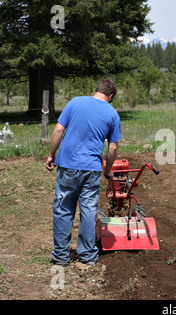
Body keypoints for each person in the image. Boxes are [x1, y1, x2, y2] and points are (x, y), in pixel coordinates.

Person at [46, 78, 122, 266]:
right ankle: (87, 256)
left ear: (96, 90)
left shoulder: (75, 102)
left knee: (63, 209)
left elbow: (58, 130)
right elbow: (112, 149)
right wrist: (108, 170)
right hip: (92, 169)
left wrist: (51, 155)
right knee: (88, 211)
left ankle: (61, 257)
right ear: (110, 96)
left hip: (68, 165)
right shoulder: (112, 114)